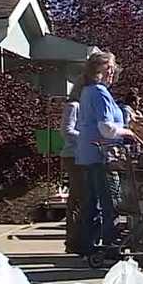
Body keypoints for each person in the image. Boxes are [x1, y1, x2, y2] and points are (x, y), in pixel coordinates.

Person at [76, 50, 135, 253]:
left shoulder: (87, 91)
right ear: (98, 69)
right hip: (102, 154)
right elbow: (107, 129)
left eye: (113, 68)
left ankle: (87, 245)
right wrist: (129, 132)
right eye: (109, 68)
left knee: (92, 202)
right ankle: (109, 243)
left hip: (89, 153)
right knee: (110, 200)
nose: (112, 72)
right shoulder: (99, 92)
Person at [59, 90, 86, 254]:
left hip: (82, 156)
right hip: (73, 156)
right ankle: (72, 240)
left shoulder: (84, 107)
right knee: (77, 198)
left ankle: (77, 238)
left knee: (81, 199)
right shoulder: (73, 106)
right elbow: (66, 130)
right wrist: (86, 137)